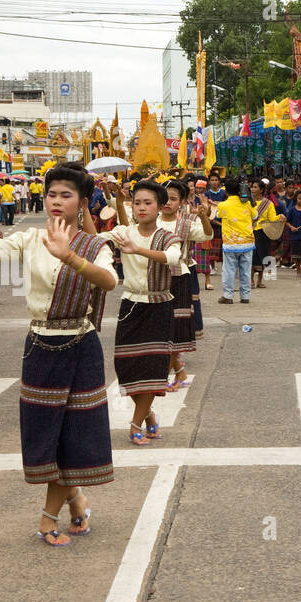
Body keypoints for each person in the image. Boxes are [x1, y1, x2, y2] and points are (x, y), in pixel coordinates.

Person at [0, 163, 118, 547]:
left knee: (73, 436)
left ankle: (48, 517)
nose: (57, 202)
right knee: (45, 436)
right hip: (41, 346)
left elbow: (109, 281)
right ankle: (76, 498)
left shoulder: (94, 245)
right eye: (52, 194)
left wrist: (69, 258)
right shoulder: (31, 238)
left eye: (66, 195)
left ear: (83, 203)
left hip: (80, 346)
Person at [104, 180, 182, 444]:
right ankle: (148, 414)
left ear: (159, 207)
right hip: (130, 305)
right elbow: (95, 238)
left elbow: (172, 258)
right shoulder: (124, 232)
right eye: (137, 202)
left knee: (151, 367)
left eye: (147, 202)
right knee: (126, 366)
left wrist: (137, 250)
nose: (141, 207)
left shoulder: (168, 236)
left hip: (159, 307)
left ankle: (135, 423)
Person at [159, 179, 212, 390]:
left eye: (173, 199)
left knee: (171, 326)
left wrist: (203, 217)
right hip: (155, 278)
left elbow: (207, 234)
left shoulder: (186, 224)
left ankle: (171, 372)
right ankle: (177, 371)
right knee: (160, 327)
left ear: (181, 202)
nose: (167, 203)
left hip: (179, 277)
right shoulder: (150, 220)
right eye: (164, 198)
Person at [214, 175, 257, 304]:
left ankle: (228, 295)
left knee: (229, 270)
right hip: (247, 242)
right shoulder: (248, 203)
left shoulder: (223, 205)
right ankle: (245, 296)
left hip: (230, 243)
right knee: (246, 271)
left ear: (226, 191)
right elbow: (256, 215)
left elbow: (217, 215)